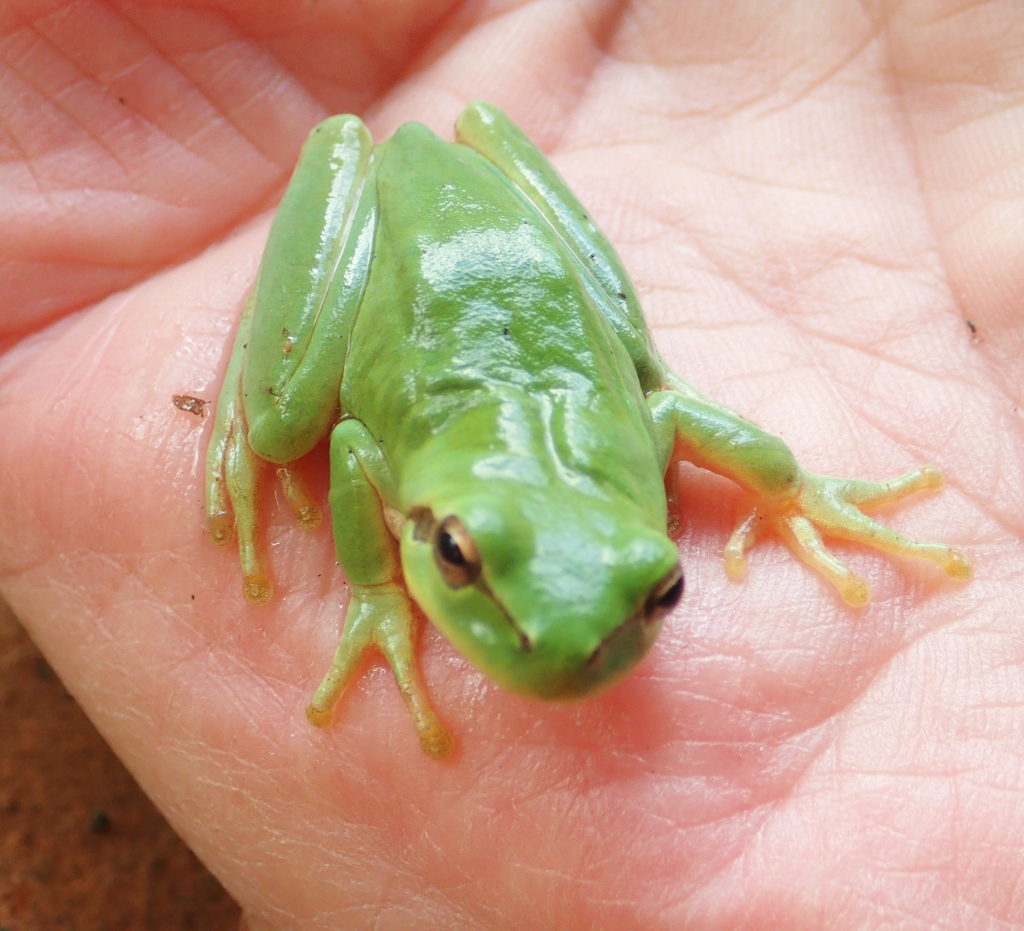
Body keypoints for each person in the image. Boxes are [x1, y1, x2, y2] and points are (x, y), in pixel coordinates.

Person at [0, 1, 1016, 927]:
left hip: (509, 280)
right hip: (413, 260)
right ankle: (249, 384)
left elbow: (662, 412)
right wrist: (374, 580)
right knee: (283, 426)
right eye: (455, 553)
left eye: (655, 589)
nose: (572, 645)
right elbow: (355, 444)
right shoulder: (494, 473)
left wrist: (792, 491)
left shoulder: (626, 461)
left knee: (626, 365)